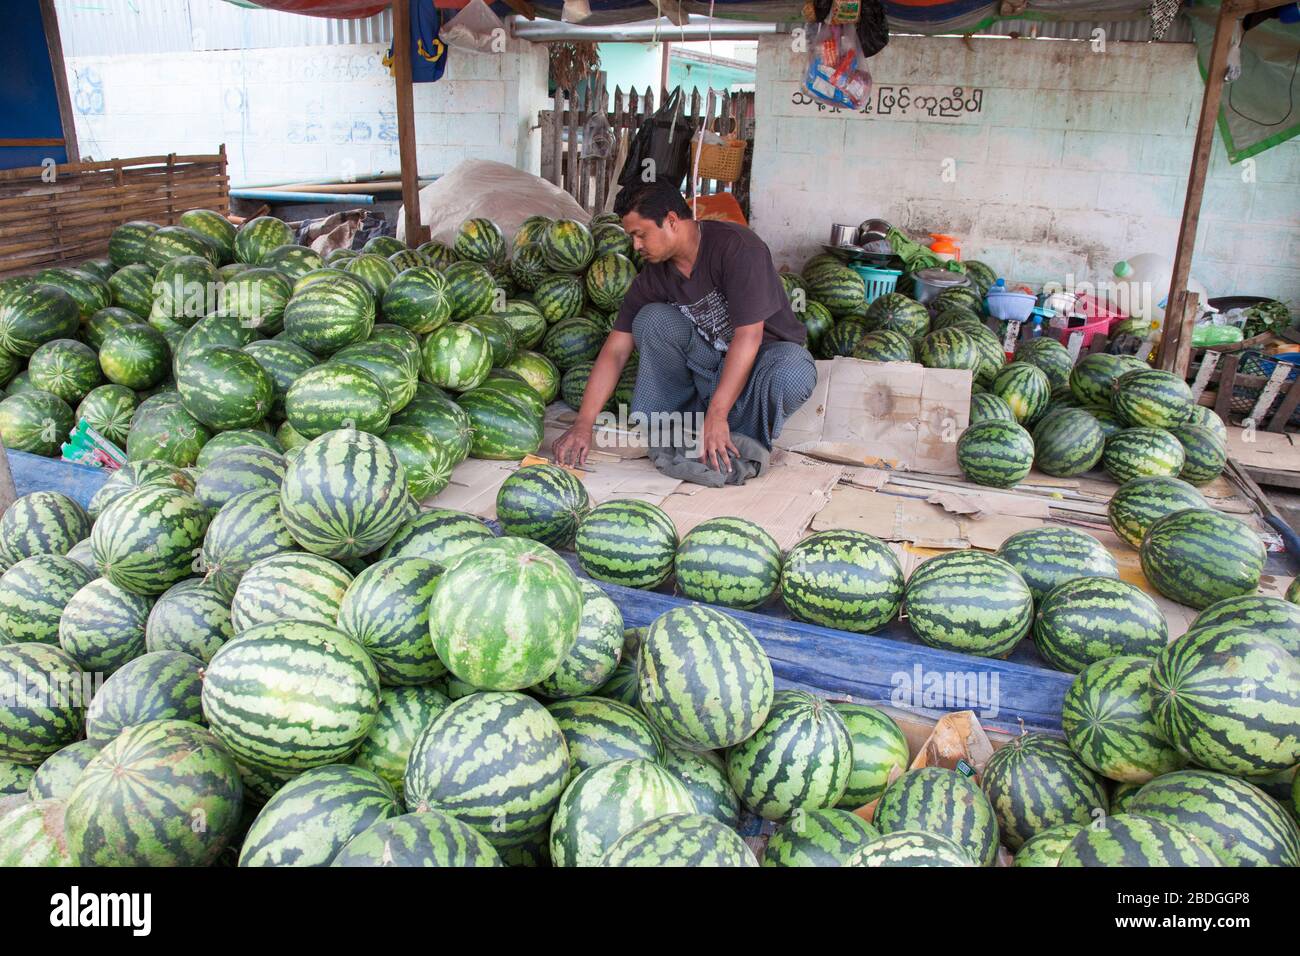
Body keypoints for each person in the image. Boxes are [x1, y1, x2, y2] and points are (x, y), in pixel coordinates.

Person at [552, 181, 817, 475]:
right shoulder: (654, 276)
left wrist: (717, 415)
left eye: (640, 235)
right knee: (652, 318)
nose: (636, 246)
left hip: (760, 367)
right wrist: (583, 424)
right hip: (709, 371)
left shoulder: (739, 248)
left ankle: (736, 436)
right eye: (632, 238)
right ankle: (676, 426)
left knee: (793, 371)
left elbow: (749, 337)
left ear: (672, 221)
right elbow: (615, 351)